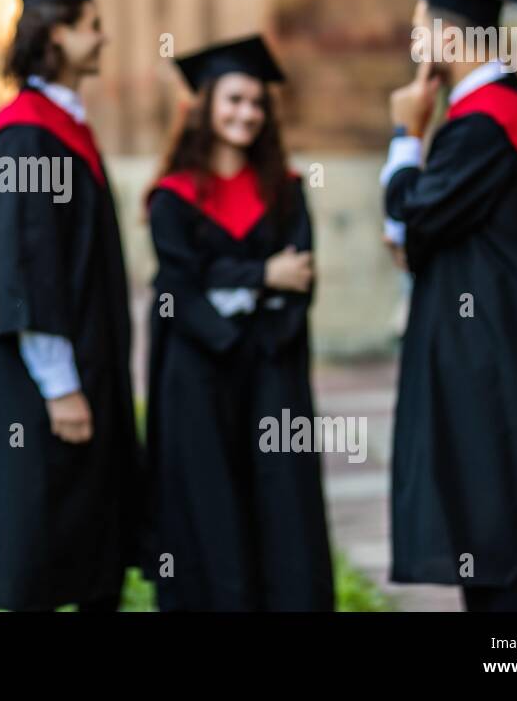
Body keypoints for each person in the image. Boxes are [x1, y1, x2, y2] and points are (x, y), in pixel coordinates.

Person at [383, 0, 517, 612]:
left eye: (420, 28)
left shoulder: (484, 128)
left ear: (451, 37)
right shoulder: (499, 116)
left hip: (482, 356)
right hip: (497, 346)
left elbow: (411, 221)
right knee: (488, 520)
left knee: (488, 527)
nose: (414, 43)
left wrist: (406, 133)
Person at [0, 0, 140, 612]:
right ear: (58, 34)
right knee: (42, 540)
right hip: (43, 382)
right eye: (94, 25)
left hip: (80, 362)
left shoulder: (59, 124)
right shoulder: (27, 138)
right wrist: (62, 385)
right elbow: (25, 271)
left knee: (83, 531)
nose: (104, 38)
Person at [144, 35, 334, 611]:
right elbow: (178, 289)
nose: (246, 113)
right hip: (198, 375)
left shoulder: (286, 191)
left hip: (272, 370)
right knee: (210, 504)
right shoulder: (172, 198)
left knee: (281, 506)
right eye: (233, 100)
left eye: (256, 103)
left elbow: (300, 276)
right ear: (204, 106)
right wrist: (259, 277)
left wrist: (234, 284)